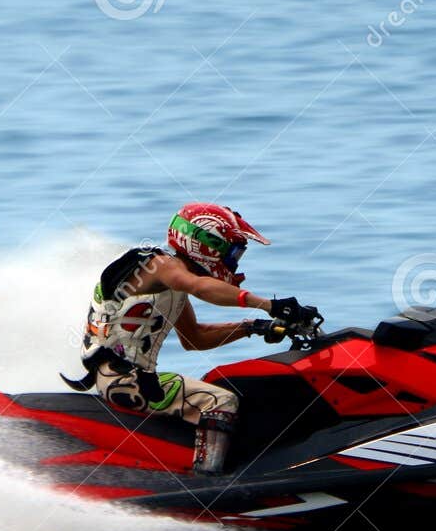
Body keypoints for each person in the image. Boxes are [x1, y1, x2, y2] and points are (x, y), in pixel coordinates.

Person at [66, 203, 320, 475]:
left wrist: (255, 327)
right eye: (233, 252)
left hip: (132, 380)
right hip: (126, 380)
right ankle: (208, 482)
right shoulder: (159, 265)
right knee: (220, 401)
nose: (234, 262)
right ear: (206, 245)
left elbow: (194, 338)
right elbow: (200, 286)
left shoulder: (171, 286)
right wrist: (268, 305)